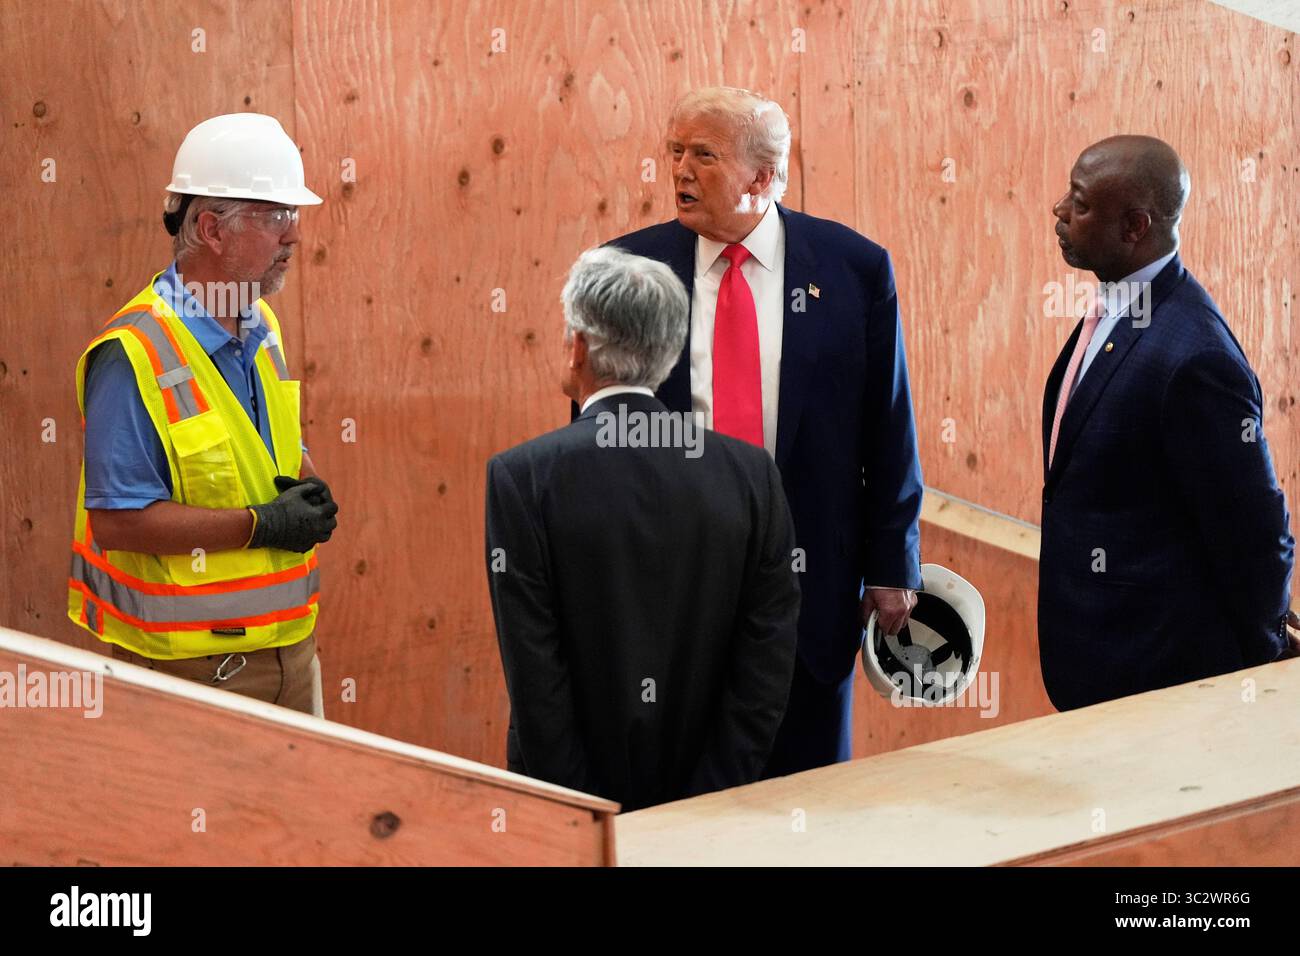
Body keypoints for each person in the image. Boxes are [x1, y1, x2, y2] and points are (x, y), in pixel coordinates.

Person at [607, 87, 923, 775]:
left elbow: (889, 426)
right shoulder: (628, 271)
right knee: (681, 795)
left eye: (704, 155)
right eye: (675, 151)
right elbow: (594, 441)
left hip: (811, 587)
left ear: (762, 177)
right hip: (672, 592)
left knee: (806, 795)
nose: (680, 170)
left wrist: (892, 563)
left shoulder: (853, 269)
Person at [486, 246, 800, 810]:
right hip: (711, 811)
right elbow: (767, 661)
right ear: (668, 352)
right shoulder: (752, 474)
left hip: (571, 811)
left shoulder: (522, 478)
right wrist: (711, 796)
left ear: (578, 346)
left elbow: (535, 677)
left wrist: (587, 816)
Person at [67, 113, 338, 714]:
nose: (294, 236)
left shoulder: (259, 324)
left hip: (290, 652)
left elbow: (250, 443)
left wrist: (306, 478)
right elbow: (118, 523)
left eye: (292, 216)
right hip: (193, 676)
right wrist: (262, 525)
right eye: (276, 217)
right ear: (212, 229)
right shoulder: (133, 353)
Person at [1040, 134, 1295, 709]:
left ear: (1135, 226)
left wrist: (1257, 657)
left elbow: (1258, 536)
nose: (1059, 210)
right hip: (1096, 671)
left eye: (1080, 203)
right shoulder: (1121, 305)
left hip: (1155, 685)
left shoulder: (1195, 358)